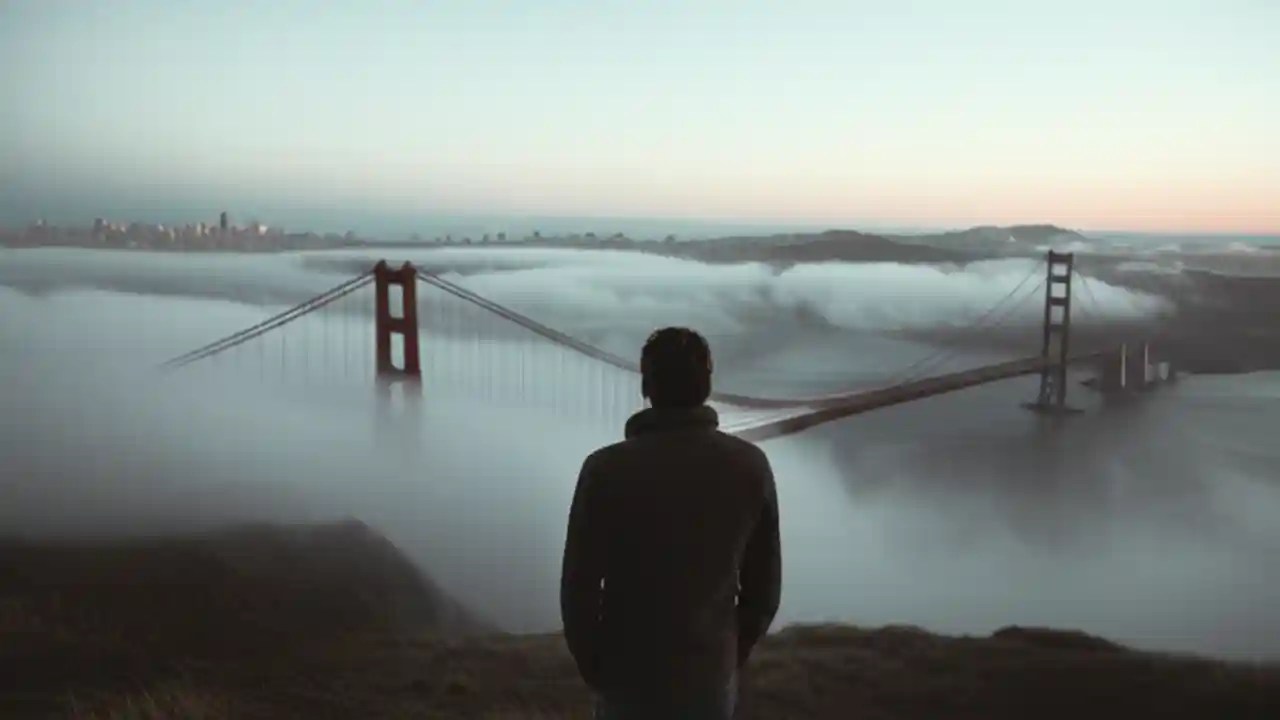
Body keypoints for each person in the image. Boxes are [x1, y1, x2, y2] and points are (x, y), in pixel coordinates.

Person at [560, 327, 782, 719]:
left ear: (646, 386)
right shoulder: (751, 465)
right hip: (709, 677)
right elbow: (764, 591)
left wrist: (596, 668)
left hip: (626, 677)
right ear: (707, 386)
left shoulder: (604, 469)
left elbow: (578, 588)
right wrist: (728, 653)